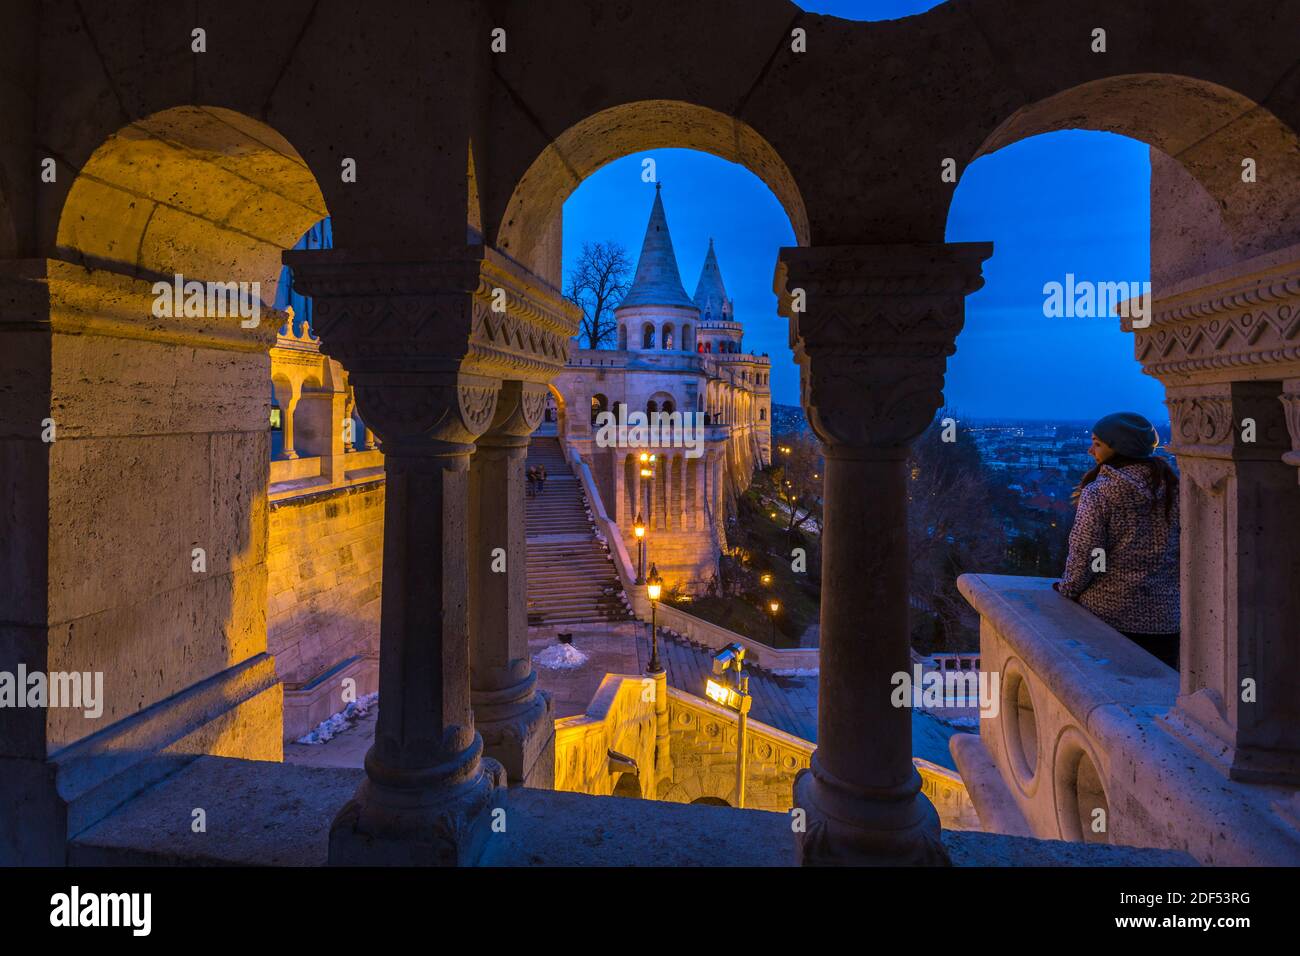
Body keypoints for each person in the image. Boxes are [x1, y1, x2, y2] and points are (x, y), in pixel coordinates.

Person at [1054, 412, 1180, 668]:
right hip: (1166, 620)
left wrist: (1068, 589)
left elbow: (1085, 554)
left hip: (1109, 616)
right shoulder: (1175, 490)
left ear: (1119, 448)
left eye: (1097, 443)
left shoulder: (1099, 492)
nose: (1090, 450)